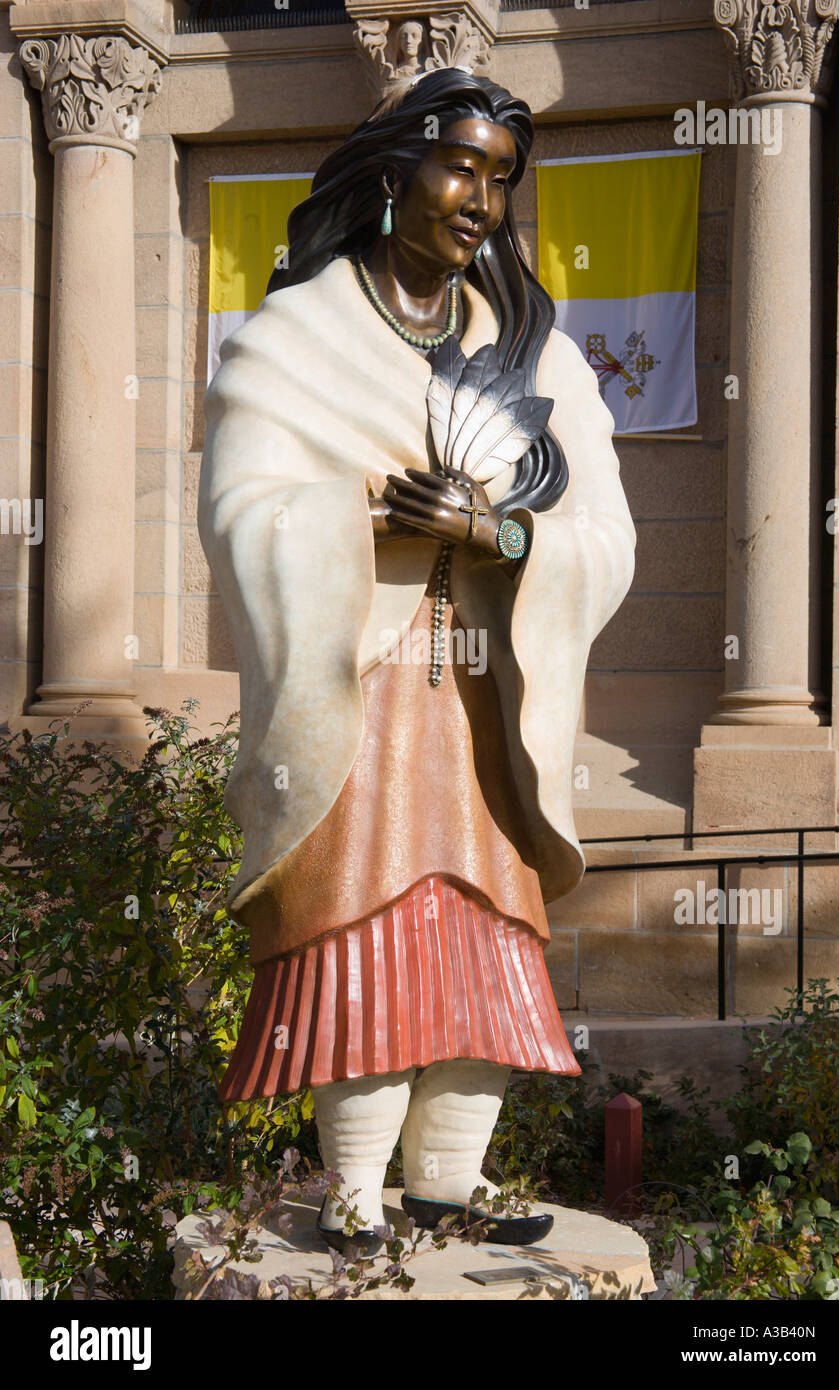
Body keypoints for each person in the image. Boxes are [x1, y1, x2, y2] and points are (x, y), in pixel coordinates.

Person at [198, 67, 636, 1253]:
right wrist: (368, 521)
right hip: (363, 697)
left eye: (501, 178)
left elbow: (604, 535)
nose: (479, 199)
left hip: (488, 699)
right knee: (360, 929)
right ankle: (348, 1195)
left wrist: (495, 532)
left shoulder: (535, 358)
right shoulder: (295, 339)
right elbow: (239, 508)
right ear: (393, 174)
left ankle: (449, 1181)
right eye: (459, 166)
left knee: (483, 936)